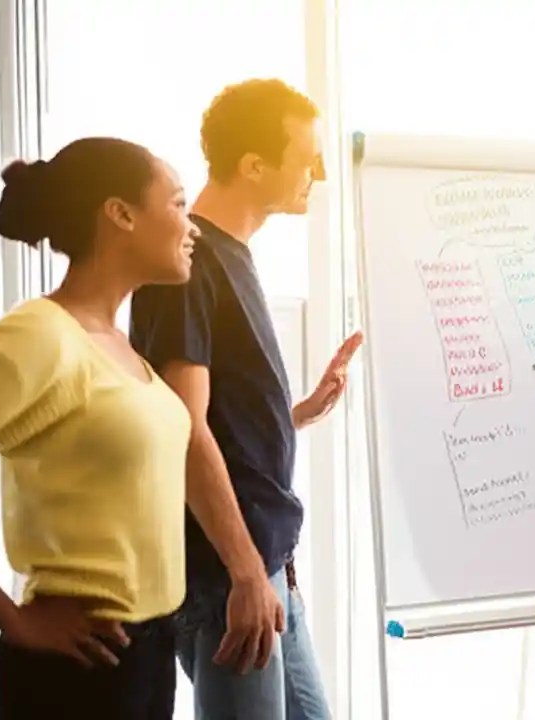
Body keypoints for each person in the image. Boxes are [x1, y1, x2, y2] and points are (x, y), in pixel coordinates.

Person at [129, 78, 361, 719]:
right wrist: (244, 574)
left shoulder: (226, 256)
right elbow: (182, 429)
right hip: (229, 577)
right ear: (253, 165)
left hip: (266, 568)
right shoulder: (189, 264)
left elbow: (216, 422)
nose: (316, 172)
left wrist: (296, 416)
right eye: (304, 157)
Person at [0, 137, 196, 718]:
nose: (191, 226)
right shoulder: (39, 334)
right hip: (80, 670)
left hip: (148, 653)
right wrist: (13, 617)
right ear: (119, 213)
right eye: (177, 205)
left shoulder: (117, 344)